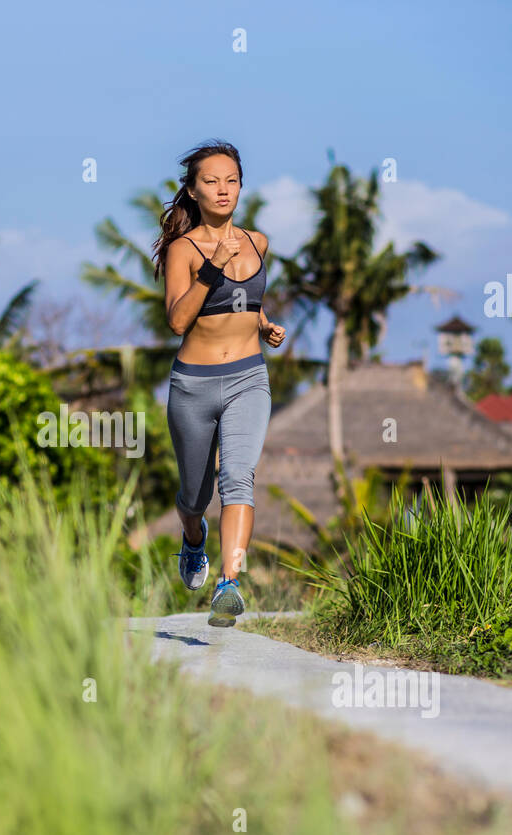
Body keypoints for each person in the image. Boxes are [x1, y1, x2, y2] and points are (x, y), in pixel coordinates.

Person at [151, 140, 285, 627]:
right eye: (211, 181)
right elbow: (178, 321)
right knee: (194, 497)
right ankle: (193, 540)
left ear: (241, 186)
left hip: (249, 377)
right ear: (193, 190)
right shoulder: (181, 251)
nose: (223, 189)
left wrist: (263, 324)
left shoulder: (258, 242)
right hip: (193, 387)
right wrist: (213, 267)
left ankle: (229, 583)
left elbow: (243, 300)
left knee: (238, 481)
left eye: (231, 180)